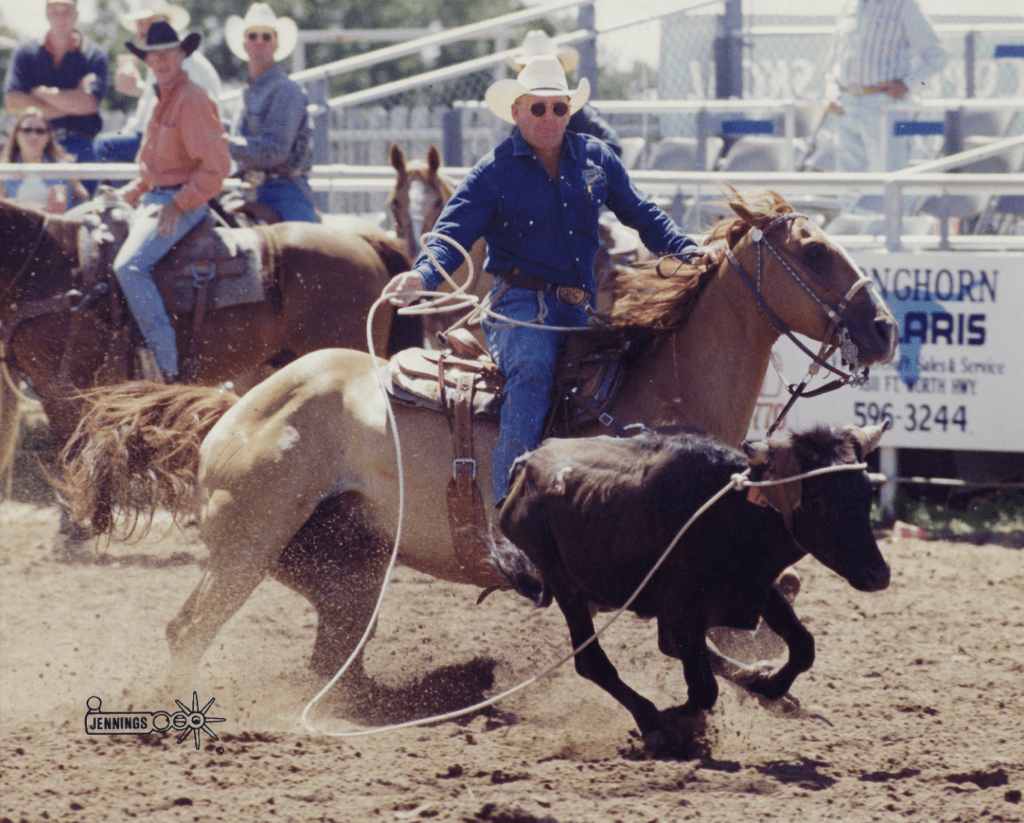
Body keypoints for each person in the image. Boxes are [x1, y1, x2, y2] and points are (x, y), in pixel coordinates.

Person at [382, 57, 722, 506]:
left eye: (558, 108)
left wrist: (686, 248)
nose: (549, 118)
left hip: (578, 308)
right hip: (517, 306)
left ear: (569, 111)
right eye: (537, 108)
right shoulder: (494, 171)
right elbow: (450, 233)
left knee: (623, 375)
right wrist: (421, 274)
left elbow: (641, 213)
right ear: (517, 111)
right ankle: (511, 513)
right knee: (533, 371)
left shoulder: (596, 159)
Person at [112, 20, 230, 384]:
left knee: (129, 267)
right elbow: (154, 170)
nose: (161, 60)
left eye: (168, 53)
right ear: (146, 60)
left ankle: (167, 369)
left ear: (182, 55)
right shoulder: (161, 98)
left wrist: (179, 204)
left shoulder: (191, 99)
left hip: (184, 201)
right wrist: (128, 193)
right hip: (156, 196)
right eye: (153, 54)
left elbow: (216, 167)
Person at [825, 0, 948, 173]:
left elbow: (937, 56)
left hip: (882, 104)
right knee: (848, 182)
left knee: (888, 177)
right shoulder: (849, 6)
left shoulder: (903, 5)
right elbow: (834, 59)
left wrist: (907, 84)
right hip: (845, 104)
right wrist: (831, 91)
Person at [94, 0, 222, 165]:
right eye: (139, 23)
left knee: (104, 146)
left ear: (164, 22)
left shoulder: (176, 59)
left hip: (178, 143)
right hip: (165, 138)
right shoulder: (168, 56)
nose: (141, 30)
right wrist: (136, 89)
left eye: (148, 22)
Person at [223, 3, 318, 223]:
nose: (259, 42)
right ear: (244, 43)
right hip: (245, 188)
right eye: (252, 35)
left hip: (283, 189)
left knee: (304, 246)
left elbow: (274, 151)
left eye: (266, 36)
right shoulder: (246, 91)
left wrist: (221, 142)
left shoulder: (287, 91)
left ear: (276, 44)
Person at [3, 0, 109, 195]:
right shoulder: (26, 52)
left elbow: (89, 104)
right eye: (55, 11)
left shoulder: (95, 54)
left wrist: (40, 92)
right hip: (32, 142)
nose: (61, 17)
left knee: (80, 210)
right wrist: (72, 102)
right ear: (47, 13)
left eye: (67, 11)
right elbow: (13, 103)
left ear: (76, 14)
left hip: (79, 143)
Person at [508, 30, 622, 158]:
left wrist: (572, 168)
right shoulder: (523, 118)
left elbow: (612, 145)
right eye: (531, 69)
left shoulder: (578, 112)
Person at [0, 106, 89, 212]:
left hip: (56, 224)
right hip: (18, 226)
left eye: (40, 131)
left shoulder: (63, 168)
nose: (33, 135)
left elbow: (83, 198)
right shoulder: (4, 170)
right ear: (16, 135)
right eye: (27, 130)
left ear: (48, 137)